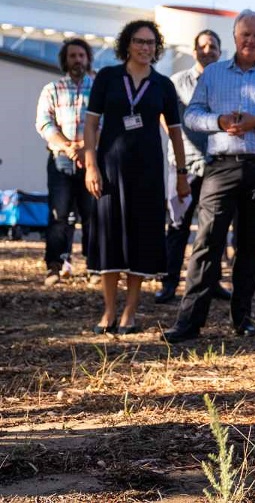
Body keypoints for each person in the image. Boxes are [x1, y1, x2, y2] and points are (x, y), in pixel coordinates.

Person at [162, 10, 255, 343]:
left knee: (250, 245)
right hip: (221, 166)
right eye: (246, 34)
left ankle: (243, 318)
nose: (251, 41)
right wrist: (219, 121)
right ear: (235, 36)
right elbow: (192, 116)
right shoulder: (213, 75)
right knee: (206, 242)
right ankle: (189, 322)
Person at [83, 21, 191, 335]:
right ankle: (108, 309)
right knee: (109, 236)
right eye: (139, 41)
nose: (145, 47)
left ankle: (130, 310)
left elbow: (175, 133)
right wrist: (91, 166)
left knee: (141, 238)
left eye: (151, 43)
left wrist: (181, 174)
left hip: (148, 174)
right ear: (127, 44)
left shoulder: (163, 85)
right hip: (109, 171)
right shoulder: (107, 78)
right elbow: (91, 125)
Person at [155, 30, 232, 305]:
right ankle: (169, 283)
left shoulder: (226, 81)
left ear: (220, 52)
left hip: (218, 165)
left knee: (214, 229)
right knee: (178, 226)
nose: (208, 50)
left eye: (214, 46)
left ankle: (212, 282)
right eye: (203, 46)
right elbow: (166, 119)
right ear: (194, 50)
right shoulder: (177, 82)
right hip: (184, 165)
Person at [35, 39, 95, 287]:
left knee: (93, 215)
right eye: (73, 56)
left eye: (81, 55)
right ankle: (55, 266)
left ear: (87, 58)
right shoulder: (52, 88)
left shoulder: (99, 88)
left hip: (91, 160)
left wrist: (84, 148)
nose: (77, 60)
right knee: (58, 215)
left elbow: (104, 122)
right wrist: (68, 145)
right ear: (65, 60)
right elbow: (44, 122)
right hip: (61, 160)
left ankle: (96, 267)